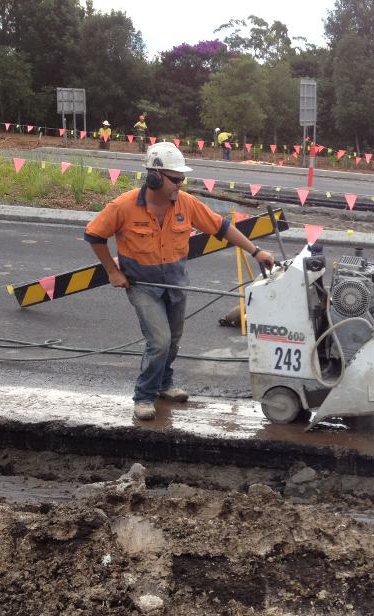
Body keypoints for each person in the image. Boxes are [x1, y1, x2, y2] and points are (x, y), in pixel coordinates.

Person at [84, 142, 275, 420]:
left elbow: (222, 228)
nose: (180, 184)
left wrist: (256, 251)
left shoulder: (186, 204)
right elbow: (94, 235)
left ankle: (164, 384)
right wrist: (113, 271)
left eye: (182, 179)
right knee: (159, 342)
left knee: (173, 341)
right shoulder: (123, 206)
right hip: (143, 286)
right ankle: (144, 396)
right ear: (154, 177)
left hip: (176, 282)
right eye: (175, 179)